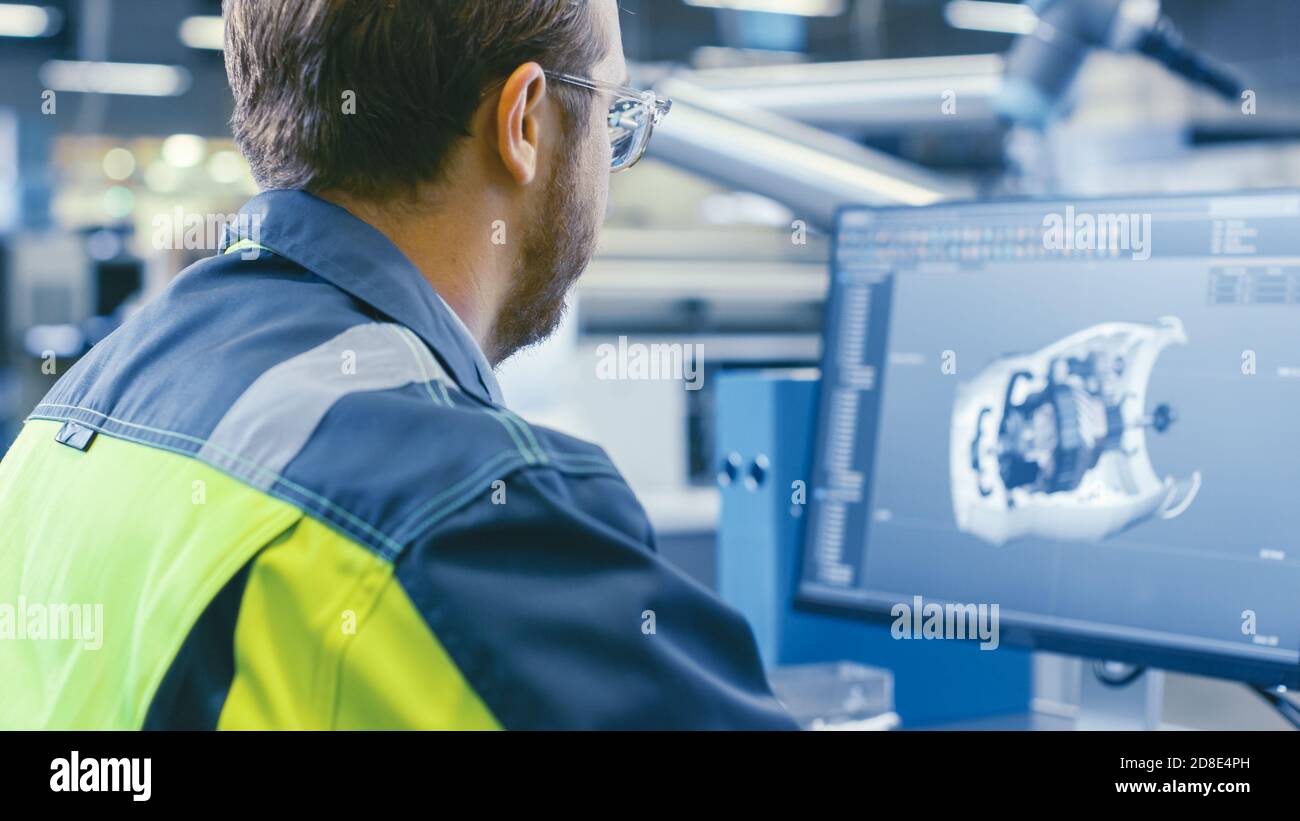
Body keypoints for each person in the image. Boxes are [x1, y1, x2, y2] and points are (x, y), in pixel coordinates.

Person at [0, 0, 796, 730]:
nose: (611, 163)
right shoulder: (472, 516)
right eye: (614, 113)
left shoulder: (64, 421)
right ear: (523, 121)